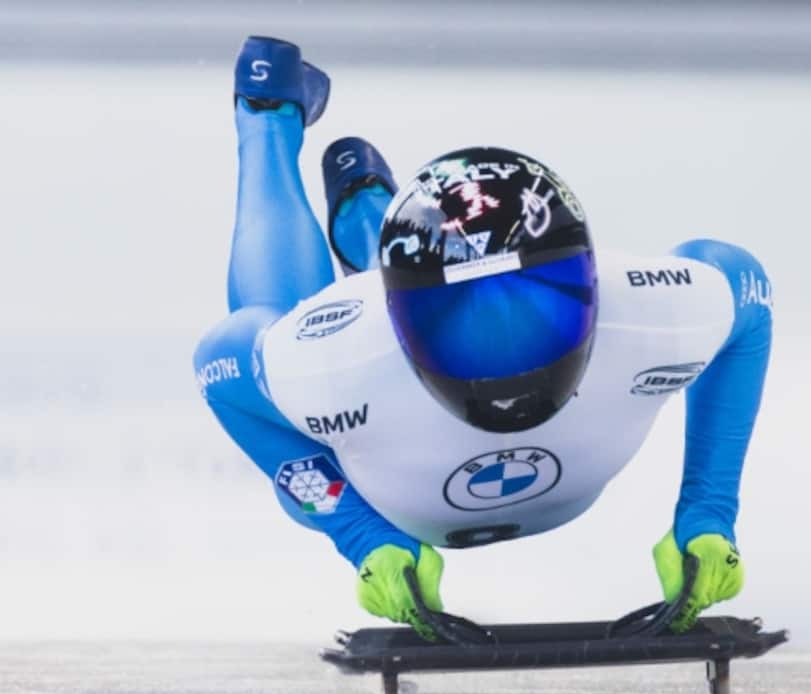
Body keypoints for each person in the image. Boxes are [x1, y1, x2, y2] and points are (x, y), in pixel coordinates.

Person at [194, 36, 773, 636]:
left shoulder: (651, 308)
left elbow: (748, 288)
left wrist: (710, 513)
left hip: (399, 464)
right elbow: (220, 361)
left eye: (542, 302)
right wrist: (359, 532)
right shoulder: (332, 357)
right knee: (276, 320)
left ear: (596, 281)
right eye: (463, 325)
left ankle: (365, 212)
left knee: (309, 357)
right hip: (392, 431)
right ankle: (270, 120)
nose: (508, 360)